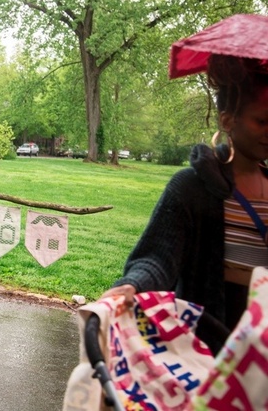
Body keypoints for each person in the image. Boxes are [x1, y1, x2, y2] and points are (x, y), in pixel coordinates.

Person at [101, 54, 268, 354]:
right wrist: (132, 285)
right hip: (205, 350)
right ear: (228, 120)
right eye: (262, 120)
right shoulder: (192, 188)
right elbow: (158, 259)